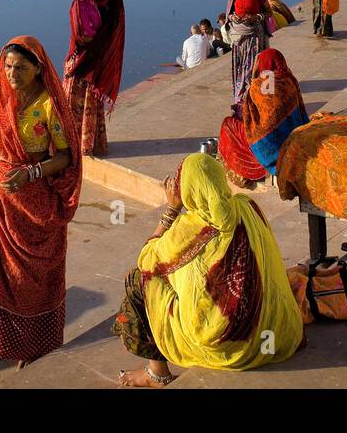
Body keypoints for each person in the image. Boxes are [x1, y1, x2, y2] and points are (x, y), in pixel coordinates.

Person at [112, 151, 303, 387]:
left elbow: (147, 258)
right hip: (274, 330)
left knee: (138, 280)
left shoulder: (191, 228)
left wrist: (171, 210)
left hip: (225, 342)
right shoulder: (248, 205)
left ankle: (156, 373)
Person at [0, 37, 81, 368]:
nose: (12, 73)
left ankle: (34, 344)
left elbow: (66, 157)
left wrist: (30, 173)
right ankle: (3, 340)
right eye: (8, 66)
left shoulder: (48, 105)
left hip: (31, 202)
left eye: (21, 68)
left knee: (28, 279)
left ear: (38, 69)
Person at [217, 49, 310, 188]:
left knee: (228, 125)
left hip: (273, 145)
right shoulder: (288, 78)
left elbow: (253, 113)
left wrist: (255, 74)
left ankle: (242, 174)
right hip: (292, 134)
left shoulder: (262, 84)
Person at [63, 0, 125, 158]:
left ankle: (90, 144)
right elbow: (83, 37)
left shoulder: (93, 4)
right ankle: (73, 145)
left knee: (90, 105)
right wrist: (104, 36)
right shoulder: (77, 7)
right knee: (75, 107)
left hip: (92, 62)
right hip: (80, 65)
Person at [226, 0, 271, 105]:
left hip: (254, 38)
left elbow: (268, 12)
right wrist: (234, 18)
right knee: (241, 67)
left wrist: (256, 17)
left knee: (251, 68)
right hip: (239, 39)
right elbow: (230, 13)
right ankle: (242, 99)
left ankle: (253, 95)